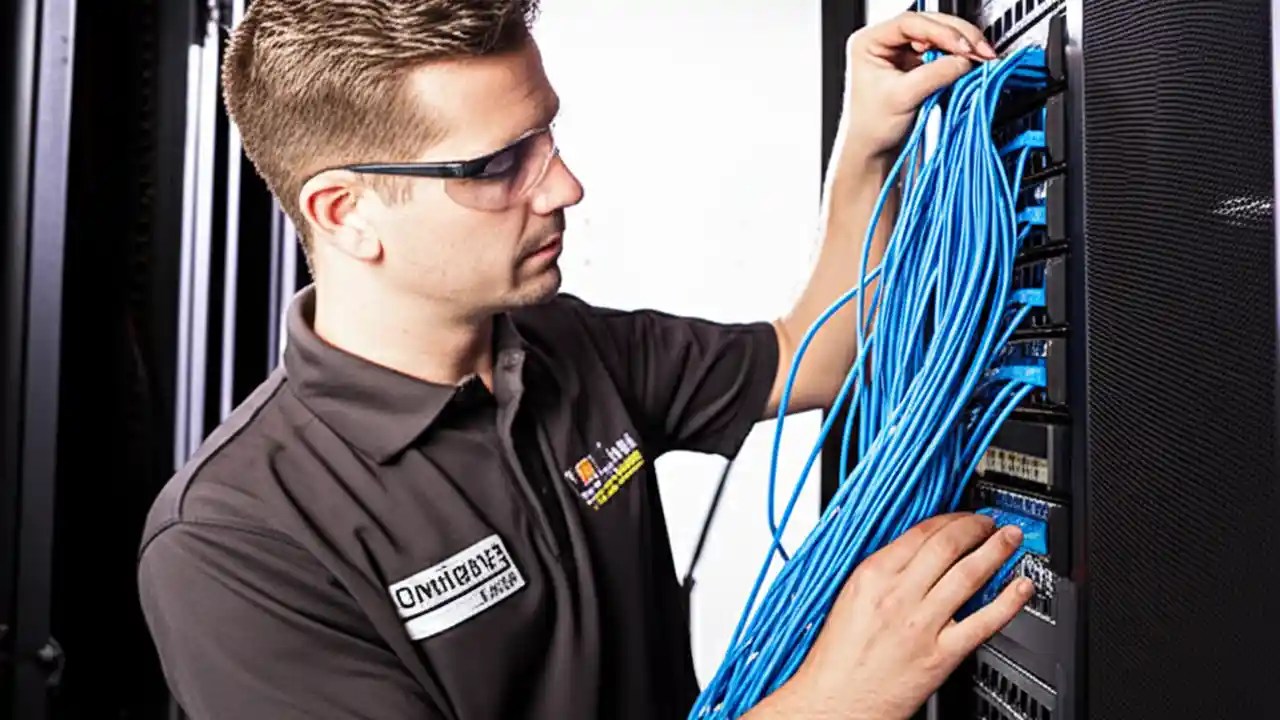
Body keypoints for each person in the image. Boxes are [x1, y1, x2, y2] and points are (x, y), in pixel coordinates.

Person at [136, 2, 1032, 718]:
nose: (565, 186)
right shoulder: (238, 540)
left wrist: (866, 139)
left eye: (549, 138)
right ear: (344, 212)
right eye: (499, 166)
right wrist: (837, 701)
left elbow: (819, 351)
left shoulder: (565, 347)